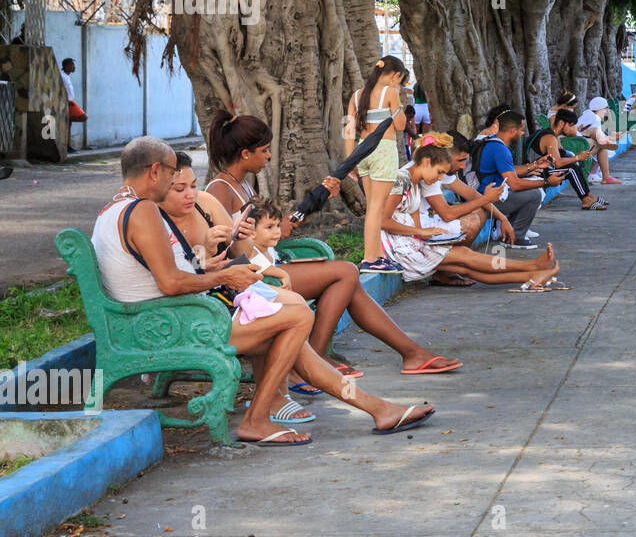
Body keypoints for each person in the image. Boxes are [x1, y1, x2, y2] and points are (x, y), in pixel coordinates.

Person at [99, 137, 435, 445]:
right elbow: (170, 283)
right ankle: (258, 419)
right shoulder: (141, 209)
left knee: (285, 324)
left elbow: (163, 276)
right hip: (173, 327)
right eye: (173, 174)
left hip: (169, 322)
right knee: (298, 314)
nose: (175, 182)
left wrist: (215, 269)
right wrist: (226, 279)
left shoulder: (113, 210)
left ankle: (377, 408)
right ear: (155, 170)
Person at [204, 116, 462, 379]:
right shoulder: (219, 190)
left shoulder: (244, 185)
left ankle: (409, 354)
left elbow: (276, 230)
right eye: (264, 150)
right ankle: (315, 360)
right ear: (245, 154)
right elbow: (220, 247)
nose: (269, 156)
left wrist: (318, 199)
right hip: (255, 278)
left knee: (348, 281)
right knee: (346, 273)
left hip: (270, 265)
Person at [383, 143, 563, 291]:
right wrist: (420, 231)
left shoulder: (417, 182)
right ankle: (531, 267)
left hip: (413, 241)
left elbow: (417, 225)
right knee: (464, 256)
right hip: (400, 247)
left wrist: (425, 233)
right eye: (439, 172)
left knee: (464, 268)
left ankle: (532, 275)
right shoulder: (402, 180)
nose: (440, 179)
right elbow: (383, 221)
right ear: (426, 162)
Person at [345, 56, 409, 274]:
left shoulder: (356, 96)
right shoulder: (390, 93)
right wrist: (398, 99)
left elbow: (349, 131)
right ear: (395, 75)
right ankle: (370, 258)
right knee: (375, 209)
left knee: (374, 207)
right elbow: (400, 126)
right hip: (383, 150)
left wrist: (349, 160)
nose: (398, 85)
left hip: (363, 151)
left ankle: (378, 255)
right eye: (399, 80)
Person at [475, 110, 564, 246]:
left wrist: (535, 165)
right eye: (521, 130)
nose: (522, 134)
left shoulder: (493, 143)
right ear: (512, 130)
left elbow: (509, 171)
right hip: (488, 199)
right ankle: (515, 237)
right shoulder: (500, 149)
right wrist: (546, 182)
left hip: (488, 195)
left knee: (533, 188)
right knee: (535, 194)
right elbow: (515, 184)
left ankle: (508, 230)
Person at [525, 108, 607, 210]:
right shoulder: (550, 138)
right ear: (561, 123)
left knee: (573, 166)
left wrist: (577, 158)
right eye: (571, 125)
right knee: (572, 169)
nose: (574, 129)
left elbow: (560, 156)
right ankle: (586, 200)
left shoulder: (553, 136)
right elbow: (558, 163)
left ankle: (590, 196)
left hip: (545, 167)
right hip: (537, 171)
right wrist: (577, 157)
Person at [576, 96, 621, 183]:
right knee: (601, 144)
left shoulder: (589, 115)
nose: (606, 111)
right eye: (605, 108)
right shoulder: (593, 117)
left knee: (601, 142)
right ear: (599, 108)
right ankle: (598, 175)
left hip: (583, 142)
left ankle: (599, 174)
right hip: (580, 144)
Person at [61, 58, 87, 123]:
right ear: (67, 66)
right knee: (83, 117)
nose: (74, 67)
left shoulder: (66, 76)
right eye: (72, 65)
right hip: (68, 103)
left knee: (68, 126)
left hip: (70, 102)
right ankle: (67, 118)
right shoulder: (62, 76)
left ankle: (68, 119)